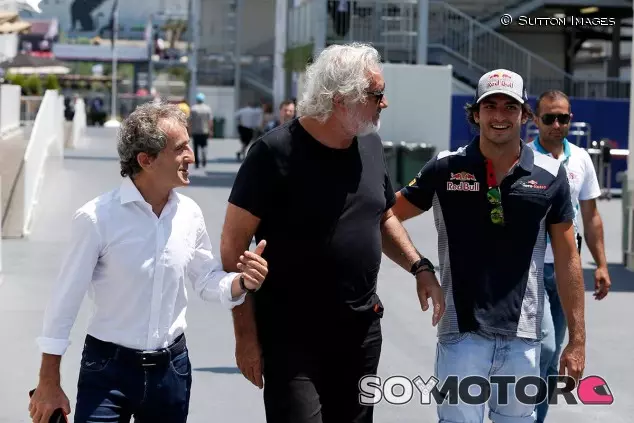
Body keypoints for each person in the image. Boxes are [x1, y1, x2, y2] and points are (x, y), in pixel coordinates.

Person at [220, 42, 444, 423]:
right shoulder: (272, 153)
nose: (384, 103)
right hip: (291, 338)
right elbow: (232, 249)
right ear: (342, 99)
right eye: (376, 94)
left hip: (359, 334)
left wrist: (419, 266)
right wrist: (246, 335)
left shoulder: (370, 144)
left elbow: (383, 215)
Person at [28, 101, 269, 423]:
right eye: (181, 148)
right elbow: (64, 303)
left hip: (171, 371)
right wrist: (48, 382)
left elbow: (206, 279)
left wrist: (241, 282)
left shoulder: (189, 214)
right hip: (106, 372)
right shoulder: (96, 218)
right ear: (146, 160)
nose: (191, 156)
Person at [391, 69, 586, 423]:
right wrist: (419, 267)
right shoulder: (446, 168)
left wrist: (577, 340)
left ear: (524, 114)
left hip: (523, 337)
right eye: (490, 106)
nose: (499, 116)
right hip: (460, 335)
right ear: (475, 113)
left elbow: (568, 258)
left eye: (509, 107)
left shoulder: (550, 173)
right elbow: (385, 217)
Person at [528, 90, 610, 423]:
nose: (557, 124)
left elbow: (590, 216)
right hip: (529, 270)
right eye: (549, 118)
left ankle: (533, 418)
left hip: (567, 271)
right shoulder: (522, 158)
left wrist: (602, 264)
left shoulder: (580, 159)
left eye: (564, 118)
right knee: (546, 349)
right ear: (535, 120)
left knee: (551, 359)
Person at [189, 93, 213, 169]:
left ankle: (197, 163)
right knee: (204, 146)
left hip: (195, 131)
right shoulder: (207, 109)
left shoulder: (193, 108)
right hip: (205, 131)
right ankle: (204, 156)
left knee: (195, 147)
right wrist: (211, 130)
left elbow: (190, 121)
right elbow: (210, 121)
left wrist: (189, 130)